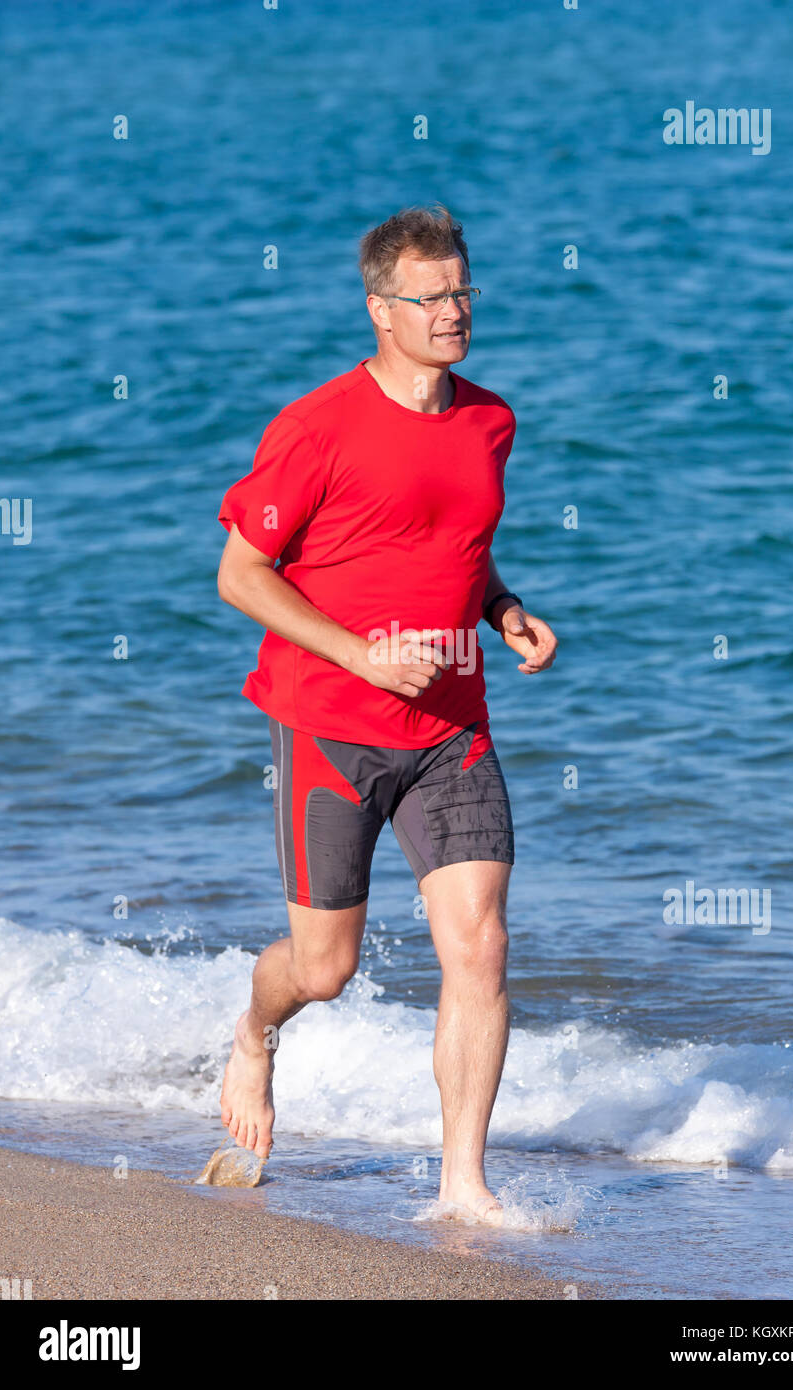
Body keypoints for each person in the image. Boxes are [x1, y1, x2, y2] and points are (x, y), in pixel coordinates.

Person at [216, 203, 557, 1221]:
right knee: (322, 969)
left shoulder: (487, 420)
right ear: (380, 309)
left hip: (453, 728)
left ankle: (462, 1185)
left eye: (463, 290)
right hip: (329, 722)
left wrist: (502, 609)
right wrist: (360, 651)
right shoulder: (316, 427)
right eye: (433, 296)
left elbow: (452, 541)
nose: (455, 310)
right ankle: (251, 1033)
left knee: (480, 942)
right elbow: (241, 573)